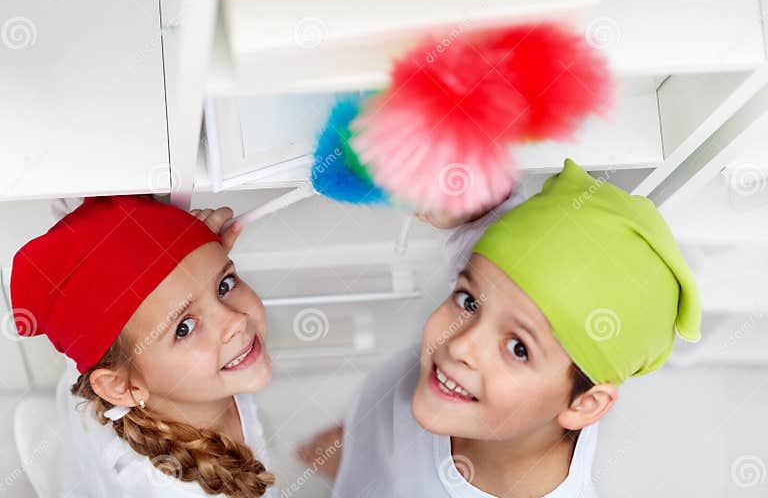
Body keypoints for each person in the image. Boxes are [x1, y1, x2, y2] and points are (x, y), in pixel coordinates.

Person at [303, 158, 702, 497]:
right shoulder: (488, 358)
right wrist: (458, 196)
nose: (462, 346)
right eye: (468, 302)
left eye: (519, 349)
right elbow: (486, 226)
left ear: (584, 404)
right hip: (384, 437)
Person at [11, 196, 276, 497]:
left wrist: (191, 253)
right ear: (121, 386)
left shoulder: (135, 371)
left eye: (224, 285)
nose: (236, 322)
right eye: (184, 328)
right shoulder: (167, 490)